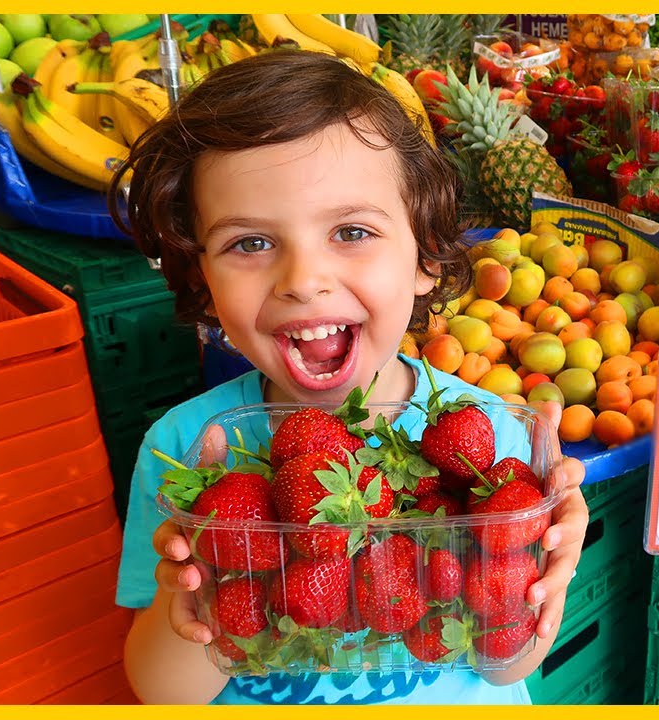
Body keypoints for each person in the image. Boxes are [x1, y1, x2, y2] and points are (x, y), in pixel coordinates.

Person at [108, 50, 589, 705]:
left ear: (425, 256)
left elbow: (505, 666)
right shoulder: (186, 448)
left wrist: (540, 574)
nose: (303, 280)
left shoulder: (491, 439)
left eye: (352, 230)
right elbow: (165, 695)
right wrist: (197, 575)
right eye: (250, 243)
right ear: (201, 278)